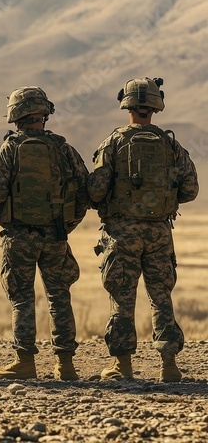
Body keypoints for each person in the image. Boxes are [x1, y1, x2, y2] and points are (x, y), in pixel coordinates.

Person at [89, 78, 198, 382]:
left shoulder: (114, 142)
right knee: (161, 296)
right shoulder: (170, 144)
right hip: (160, 233)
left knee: (122, 298)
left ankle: (122, 366)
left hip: (122, 233)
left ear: (126, 104)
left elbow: (96, 189)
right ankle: (169, 366)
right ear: (155, 106)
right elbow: (190, 189)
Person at [0, 87, 89, 380]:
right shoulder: (63, 149)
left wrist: (8, 218)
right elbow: (85, 189)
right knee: (59, 296)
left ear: (15, 115)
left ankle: (25, 361)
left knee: (22, 298)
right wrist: (68, 223)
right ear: (44, 113)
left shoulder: (9, 149)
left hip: (19, 236)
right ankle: (65, 364)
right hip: (55, 236)